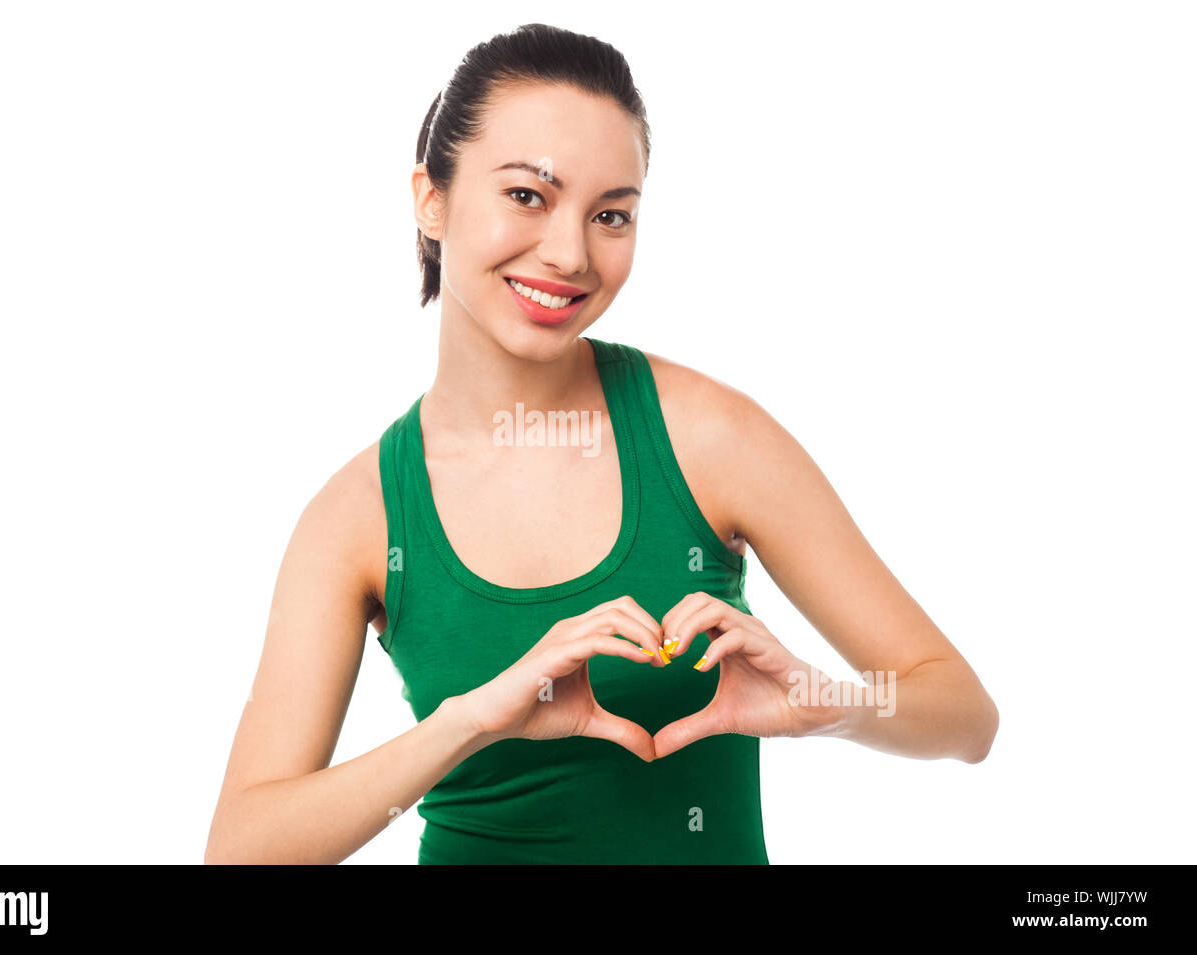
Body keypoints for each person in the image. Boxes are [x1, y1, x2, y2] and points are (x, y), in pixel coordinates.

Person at [204, 22, 999, 865]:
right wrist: (471, 721)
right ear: (430, 200)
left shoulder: (710, 439)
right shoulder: (357, 517)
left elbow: (964, 713)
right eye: (526, 196)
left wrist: (826, 700)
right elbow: (243, 848)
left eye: (610, 214)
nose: (569, 253)